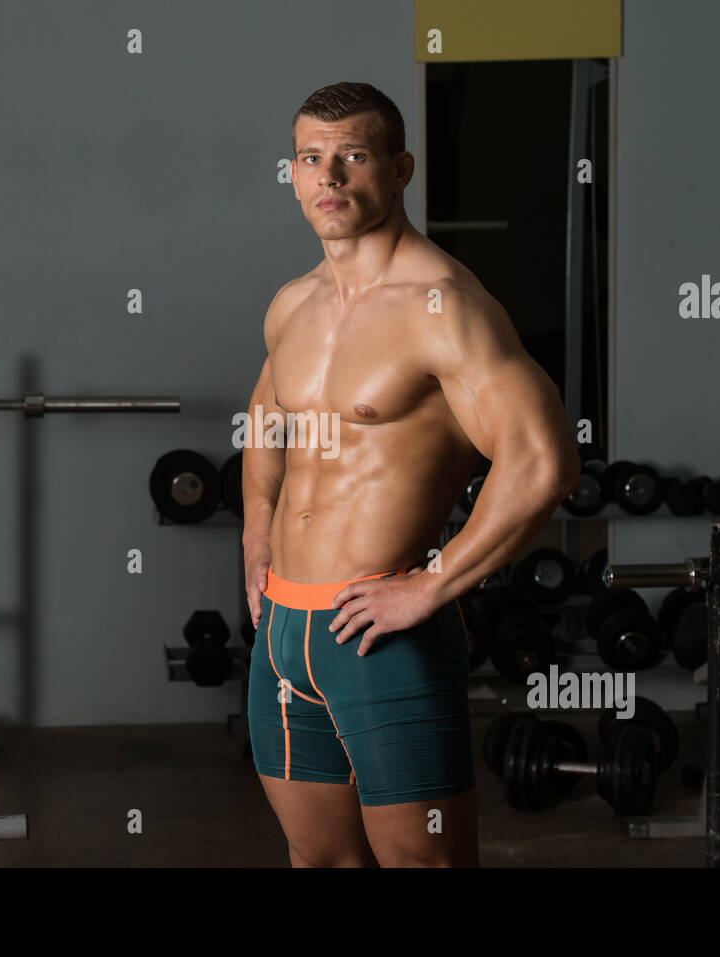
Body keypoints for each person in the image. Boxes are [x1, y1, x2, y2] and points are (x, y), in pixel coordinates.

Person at [239, 82, 581, 867]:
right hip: (284, 632)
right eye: (310, 159)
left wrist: (433, 585)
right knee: (319, 859)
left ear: (400, 169)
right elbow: (265, 419)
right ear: (292, 174)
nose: (329, 178)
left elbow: (544, 458)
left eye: (353, 157)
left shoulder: (445, 306)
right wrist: (258, 533)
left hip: (381, 633)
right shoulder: (293, 304)